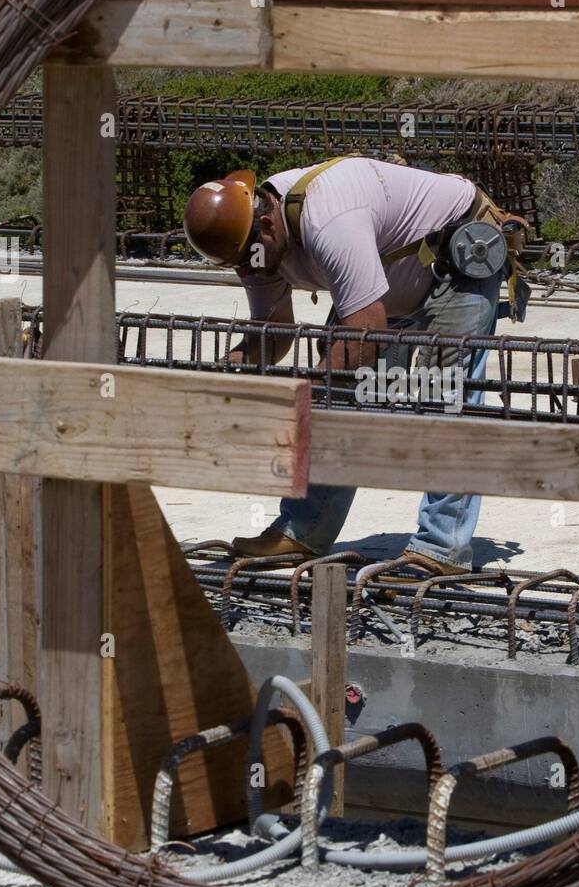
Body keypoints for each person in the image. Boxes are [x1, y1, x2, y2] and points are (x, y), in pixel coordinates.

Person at [182, 155, 526, 575]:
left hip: (453, 267)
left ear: (268, 225)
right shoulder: (251, 245)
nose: (245, 270)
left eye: (246, 258)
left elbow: (364, 333)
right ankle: (304, 530)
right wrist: (218, 380)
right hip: (379, 290)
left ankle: (441, 548)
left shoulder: (329, 219)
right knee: (343, 397)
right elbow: (272, 336)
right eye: (235, 264)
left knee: (445, 401)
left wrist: (304, 399)